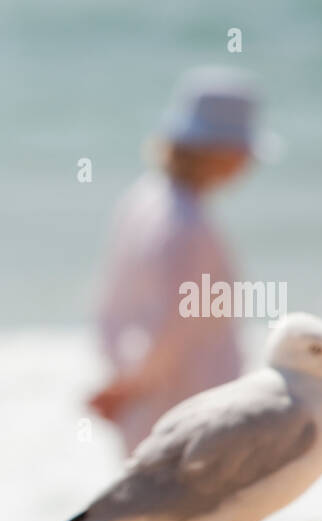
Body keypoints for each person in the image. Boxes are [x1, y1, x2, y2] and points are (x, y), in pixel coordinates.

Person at [90, 67, 261, 453]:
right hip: (185, 413)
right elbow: (173, 325)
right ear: (220, 151)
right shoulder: (187, 226)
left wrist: (120, 381)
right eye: (241, 151)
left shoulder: (144, 197)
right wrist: (127, 389)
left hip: (154, 404)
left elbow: (109, 301)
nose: (246, 164)